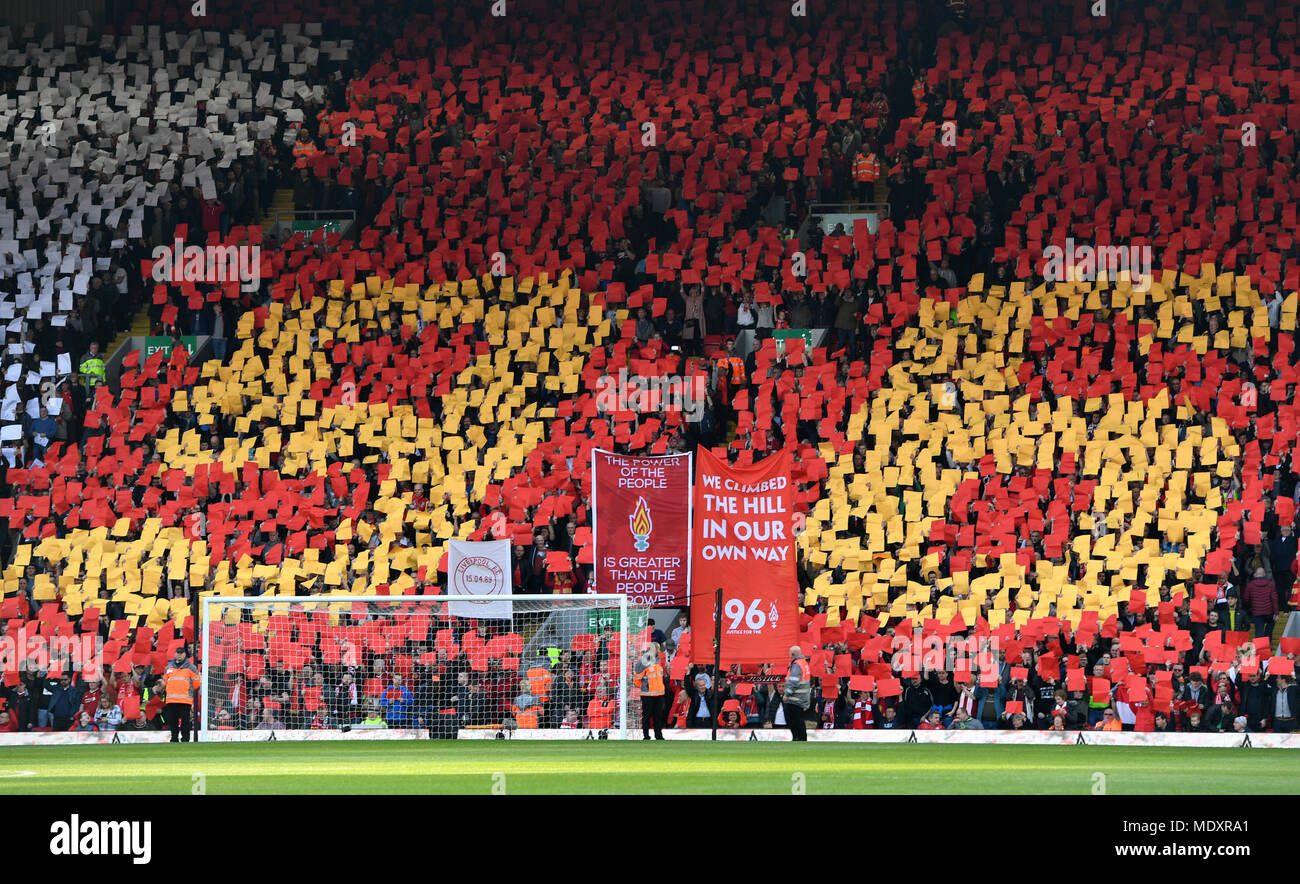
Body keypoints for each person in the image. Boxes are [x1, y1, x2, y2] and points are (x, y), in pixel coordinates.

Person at [161, 651, 201, 742]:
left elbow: (196, 684)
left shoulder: (191, 667)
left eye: (181, 653)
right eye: (177, 653)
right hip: (172, 699)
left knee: (185, 721)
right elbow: (165, 682)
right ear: (174, 654)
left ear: (184, 654)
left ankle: (185, 739)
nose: (179, 655)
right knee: (173, 721)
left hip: (184, 699)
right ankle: (174, 738)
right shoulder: (169, 667)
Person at [634, 643, 666, 739]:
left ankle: (658, 736)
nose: (659, 651)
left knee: (658, 716)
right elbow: (636, 678)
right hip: (647, 694)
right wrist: (645, 687)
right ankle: (646, 735)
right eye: (657, 649)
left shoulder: (658, 660)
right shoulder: (643, 662)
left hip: (659, 693)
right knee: (647, 716)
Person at [783, 645, 812, 741]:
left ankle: (798, 738)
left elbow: (793, 681)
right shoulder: (803, 663)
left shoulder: (796, 664)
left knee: (793, 720)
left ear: (793, 654)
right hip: (802, 697)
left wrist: (787, 694)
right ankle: (800, 738)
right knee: (798, 720)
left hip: (795, 698)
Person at [1244, 567, 1278, 645]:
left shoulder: (1250, 585)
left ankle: (1260, 651)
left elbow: (1246, 599)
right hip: (1269, 611)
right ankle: (1267, 642)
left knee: (1259, 633)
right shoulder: (1270, 584)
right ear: (1264, 574)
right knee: (1270, 625)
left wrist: (1250, 609)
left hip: (1257, 613)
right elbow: (1274, 599)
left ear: (1255, 575)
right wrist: (1276, 613)